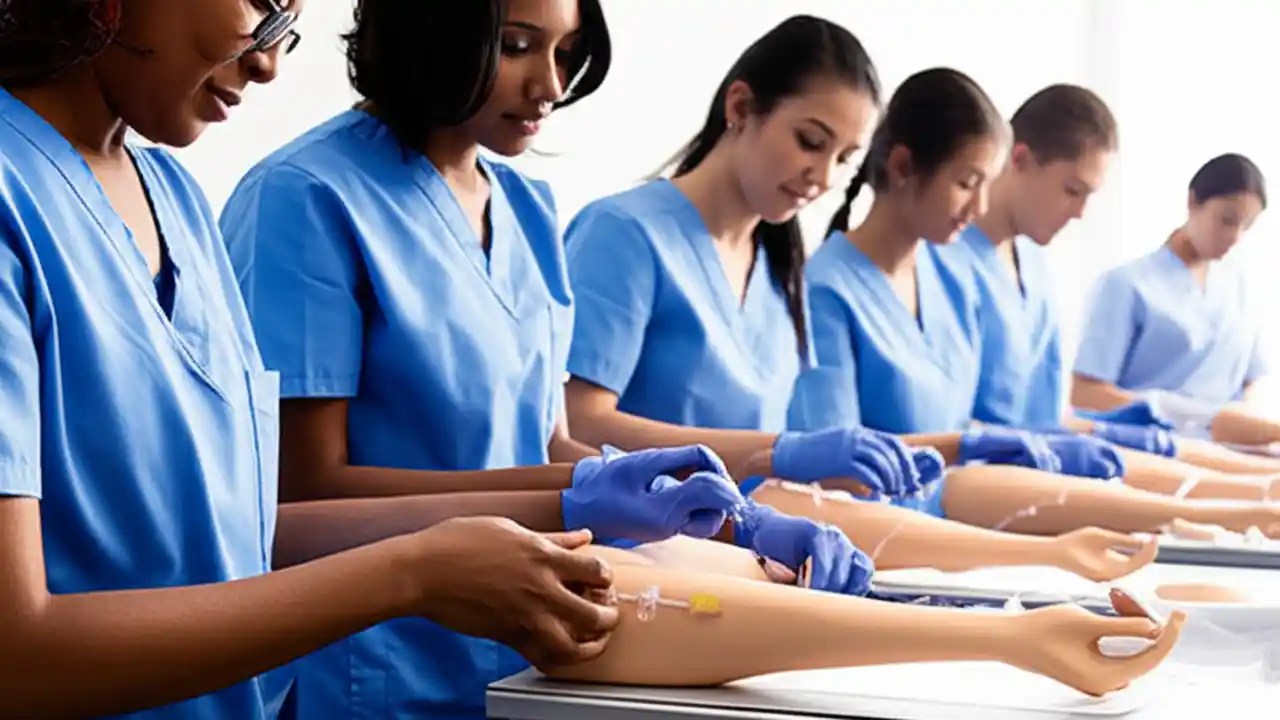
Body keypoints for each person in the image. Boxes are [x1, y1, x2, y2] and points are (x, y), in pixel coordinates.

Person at [0, 1, 764, 718]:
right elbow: (17, 650)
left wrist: (574, 499)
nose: (268, 64)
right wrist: (410, 575)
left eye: (288, 24)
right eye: (258, 6)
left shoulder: (174, 198)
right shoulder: (26, 200)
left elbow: (238, 535)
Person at [221, 3, 892, 719]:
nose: (550, 85)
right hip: (371, 664)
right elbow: (300, 490)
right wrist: (580, 488)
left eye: (566, 54)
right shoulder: (308, 197)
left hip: (526, 651)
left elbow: (542, 439)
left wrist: (730, 516)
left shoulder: (525, 209)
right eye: (516, 47)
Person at [798, 73, 1280, 503]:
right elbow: (842, 473)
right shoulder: (851, 285)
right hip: (940, 517)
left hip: (989, 501)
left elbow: (1022, 425)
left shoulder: (956, 280)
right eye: (968, 182)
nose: (977, 206)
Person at [1073, 154, 1280, 447]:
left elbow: (1254, 381)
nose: (1234, 237)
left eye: (1246, 226)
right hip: (1156, 449)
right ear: (1193, 202)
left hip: (1238, 449)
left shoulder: (1241, 288)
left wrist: (1250, 427)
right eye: (1226, 220)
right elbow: (1085, 394)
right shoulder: (1126, 285)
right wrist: (1182, 415)